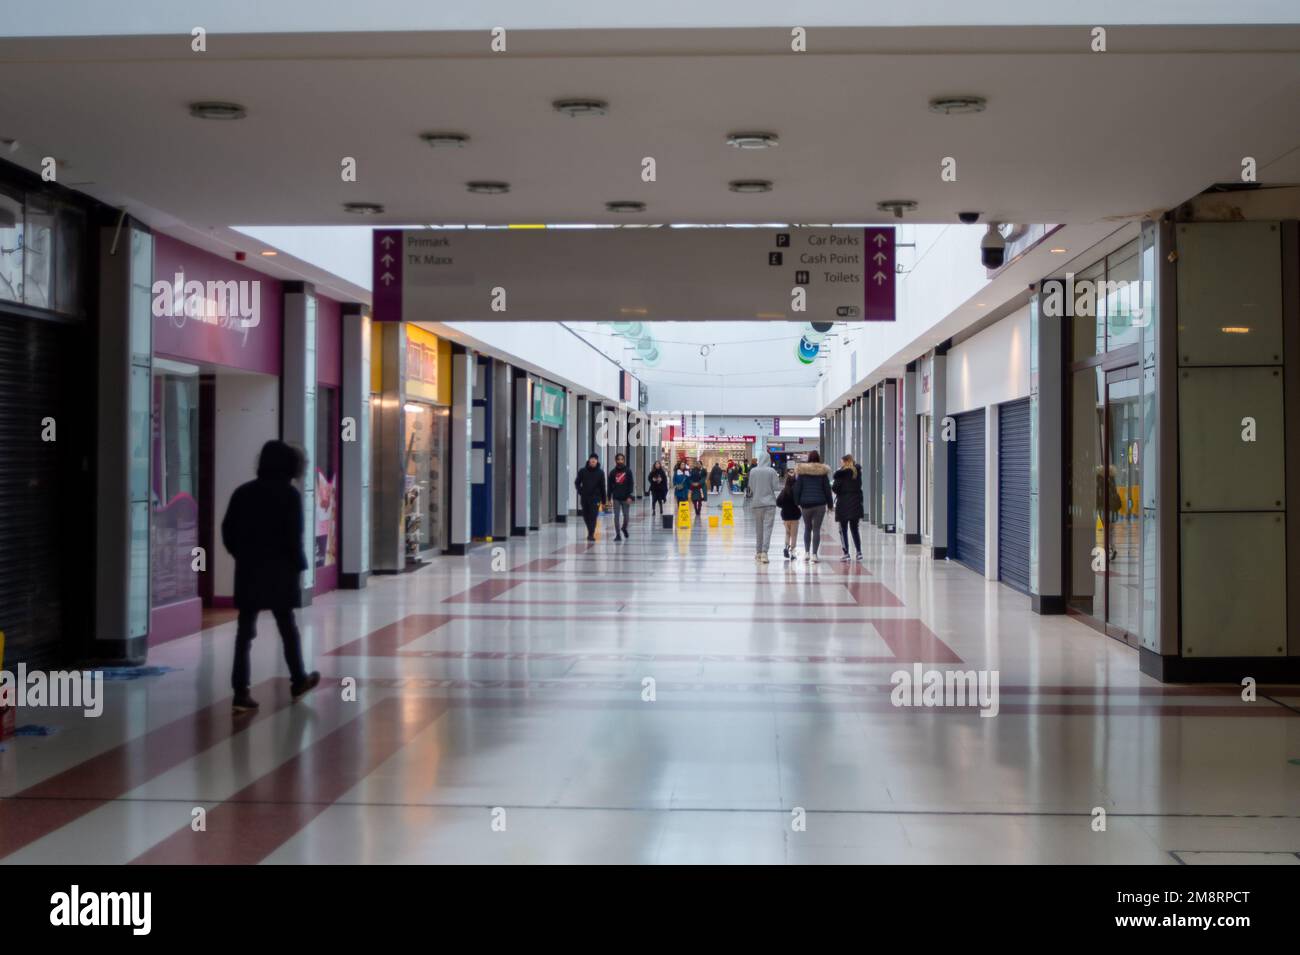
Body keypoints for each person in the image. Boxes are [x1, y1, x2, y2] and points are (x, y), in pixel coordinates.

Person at [221, 439, 321, 714]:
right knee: (287, 628)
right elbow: (293, 536)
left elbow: (228, 531)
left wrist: (242, 554)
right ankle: (298, 679)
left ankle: (240, 692)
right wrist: (298, 565)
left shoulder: (242, 493)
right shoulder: (289, 496)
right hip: (281, 571)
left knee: (244, 633)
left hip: (249, 571)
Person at [793, 450, 833, 562]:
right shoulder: (822, 472)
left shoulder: (802, 472)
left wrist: (797, 503)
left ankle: (806, 553)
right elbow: (827, 490)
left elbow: (797, 489)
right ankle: (814, 554)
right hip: (820, 504)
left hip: (805, 505)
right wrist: (830, 505)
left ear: (809, 458)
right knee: (816, 529)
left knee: (807, 527)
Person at [747, 453, 780, 563]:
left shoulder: (753, 471)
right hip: (770, 504)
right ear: (768, 460)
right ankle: (765, 553)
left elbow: (750, 487)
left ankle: (758, 552)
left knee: (759, 529)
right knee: (768, 529)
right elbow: (776, 487)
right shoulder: (771, 471)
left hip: (756, 504)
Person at [832, 454, 865, 562]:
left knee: (843, 529)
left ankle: (846, 553)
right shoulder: (857, 473)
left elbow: (835, 488)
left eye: (841, 462)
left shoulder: (840, 474)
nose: (840, 464)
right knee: (855, 529)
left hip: (843, 505)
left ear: (845, 462)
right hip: (855, 504)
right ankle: (859, 552)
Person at [574, 454, 606, 541]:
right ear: (589, 460)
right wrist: (581, 491)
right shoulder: (582, 471)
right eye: (592, 459)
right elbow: (577, 482)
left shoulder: (600, 473)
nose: (593, 461)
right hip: (585, 497)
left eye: (595, 459)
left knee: (593, 516)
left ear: (597, 461)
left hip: (595, 498)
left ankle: (591, 534)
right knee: (586, 515)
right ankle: (590, 530)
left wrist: (604, 501)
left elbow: (603, 487)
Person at [607, 452, 634, 541]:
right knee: (616, 516)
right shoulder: (612, 472)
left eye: (622, 459)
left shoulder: (628, 471)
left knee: (626, 517)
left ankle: (624, 528)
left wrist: (630, 496)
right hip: (616, 498)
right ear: (616, 460)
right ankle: (618, 534)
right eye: (618, 459)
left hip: (626, 497)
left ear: (624, 460)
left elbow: (631, 484)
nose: (620, 461)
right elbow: (609, 486)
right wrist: (608, 498)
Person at [776, 471, 802, 561]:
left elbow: (778, 502)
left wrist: (784, 506)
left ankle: (786, 547)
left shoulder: (784, 491)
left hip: (785, 516)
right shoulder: (796, 492)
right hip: (795, 516)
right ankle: (793, 553)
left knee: (787, 533)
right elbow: (799, 502)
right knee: (794, 535)